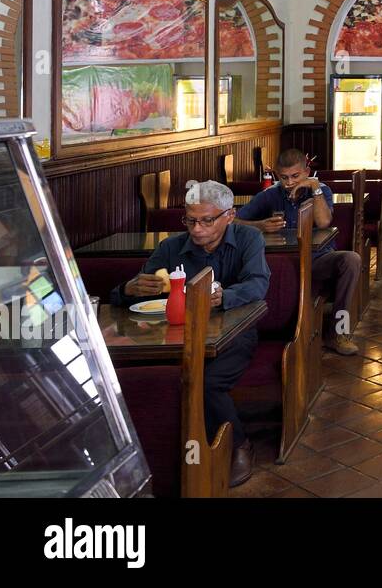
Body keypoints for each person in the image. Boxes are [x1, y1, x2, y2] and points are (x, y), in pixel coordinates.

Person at [111, 180, 269, 488]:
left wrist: (224, 296)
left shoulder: (250, 239)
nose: (197, 229)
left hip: (234, 332)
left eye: (207, 220)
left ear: (230, 216)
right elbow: (141, 290)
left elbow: (257, 284)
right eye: (190, 220)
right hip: (175, 336)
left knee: (207, 382)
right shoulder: (170, 247)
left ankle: (239, 444)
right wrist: (129, 289)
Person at [235, 148, 362, 357]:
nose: (289, 183)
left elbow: (323, 222)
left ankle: (339, 332)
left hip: (317, 259)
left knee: (352, 260)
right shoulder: (270, 196)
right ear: (277, 174)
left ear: (306, 171)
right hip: (281, 263)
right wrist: (260, 225)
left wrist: (315, 188)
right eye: (283, 177)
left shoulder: (321, 190)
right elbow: (234, 221)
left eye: (295, 176)